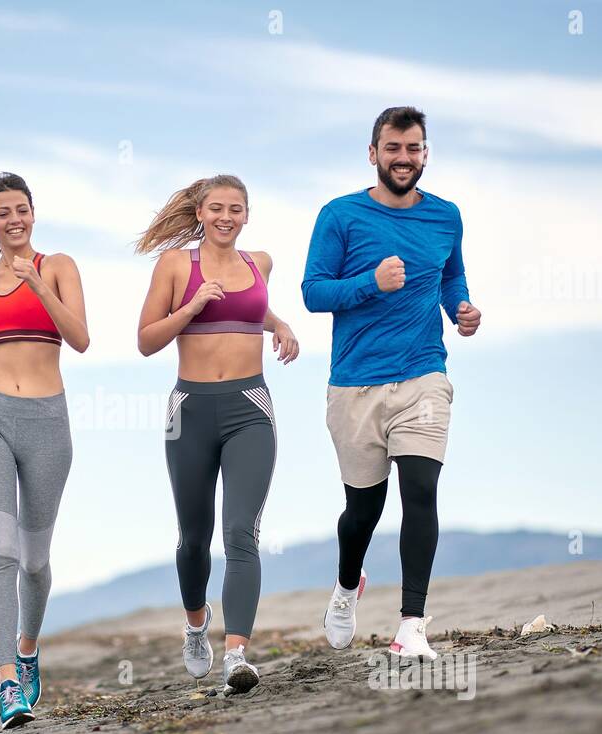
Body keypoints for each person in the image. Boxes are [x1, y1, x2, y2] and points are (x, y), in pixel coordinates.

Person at [301, 107, 482, 661]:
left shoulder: (446, 216)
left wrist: (461, 310)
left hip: (423, 376)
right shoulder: (340, 215)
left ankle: (412, 626)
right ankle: (349, 582)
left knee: (421, 491)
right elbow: (313, 293)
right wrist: (370, 283)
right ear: (373, 153)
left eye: (414, 148)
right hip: (355, 385)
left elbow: (450, 276)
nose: (404, 158)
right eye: (393, 148)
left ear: (425, 153)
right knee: (363, 511)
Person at [135, 174, 301, 693]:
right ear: (201, 214)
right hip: (190, 409)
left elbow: (251, 307)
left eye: (236, 209)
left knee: (241, 533)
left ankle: (237, 656)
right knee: (193, 540)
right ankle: (195, 624)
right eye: (217, 208)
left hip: (250, 407)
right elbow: (145, 340)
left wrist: (281, 324)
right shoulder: (176, 265)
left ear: (246, 215)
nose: (226, 216)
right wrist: (190, 307)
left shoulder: (261, 264)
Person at [0, 172, 89, 728]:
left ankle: (28, 650)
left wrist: (37, 284)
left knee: (34, 561)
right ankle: (7, 680)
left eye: (23, 210)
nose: (14, 219)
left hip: (46, 421)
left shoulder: (58, 266)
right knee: (1, 553)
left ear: (34, 214)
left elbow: (78, 337)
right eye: (3, 212)